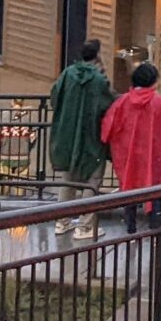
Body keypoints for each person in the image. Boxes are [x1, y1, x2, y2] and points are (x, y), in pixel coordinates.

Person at [100, 61, 161, 233]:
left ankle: (130, 225)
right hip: (152, 153)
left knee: (129, 184)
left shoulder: (122, 102)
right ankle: (154, 222)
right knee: (154, 184)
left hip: (127, 154)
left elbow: (109, 126)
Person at [49, 39, 113, 233]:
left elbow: (54, 97)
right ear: (97, 56)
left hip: (67, 135)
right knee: (92, 182)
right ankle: (85, 227)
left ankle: (62, 222)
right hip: (92, 136)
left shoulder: (67, 74)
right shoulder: (99, 80)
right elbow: (108, 105)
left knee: (67, 179)